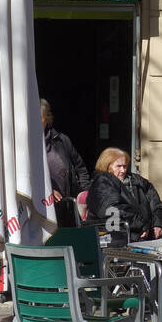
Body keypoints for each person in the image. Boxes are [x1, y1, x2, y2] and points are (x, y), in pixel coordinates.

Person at [85, 147, 162, 241]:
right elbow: (113, 209)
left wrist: (159, 224)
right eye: (118, 166)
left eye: (125, 166)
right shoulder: (101, 183)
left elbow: (158, 205)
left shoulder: (139, 182)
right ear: (107, 166)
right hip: (115, 238)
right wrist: (141, 226)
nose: (123, 170)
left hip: (144, 237)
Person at [40, 98, 90, 228]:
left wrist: (83, 192)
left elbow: (80, 167)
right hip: (41, 207)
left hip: (65, 204)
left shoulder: (62, 140)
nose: (37, 122)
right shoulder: (24, 143)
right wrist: (46, 190)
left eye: (41, 118)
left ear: (48, 119)